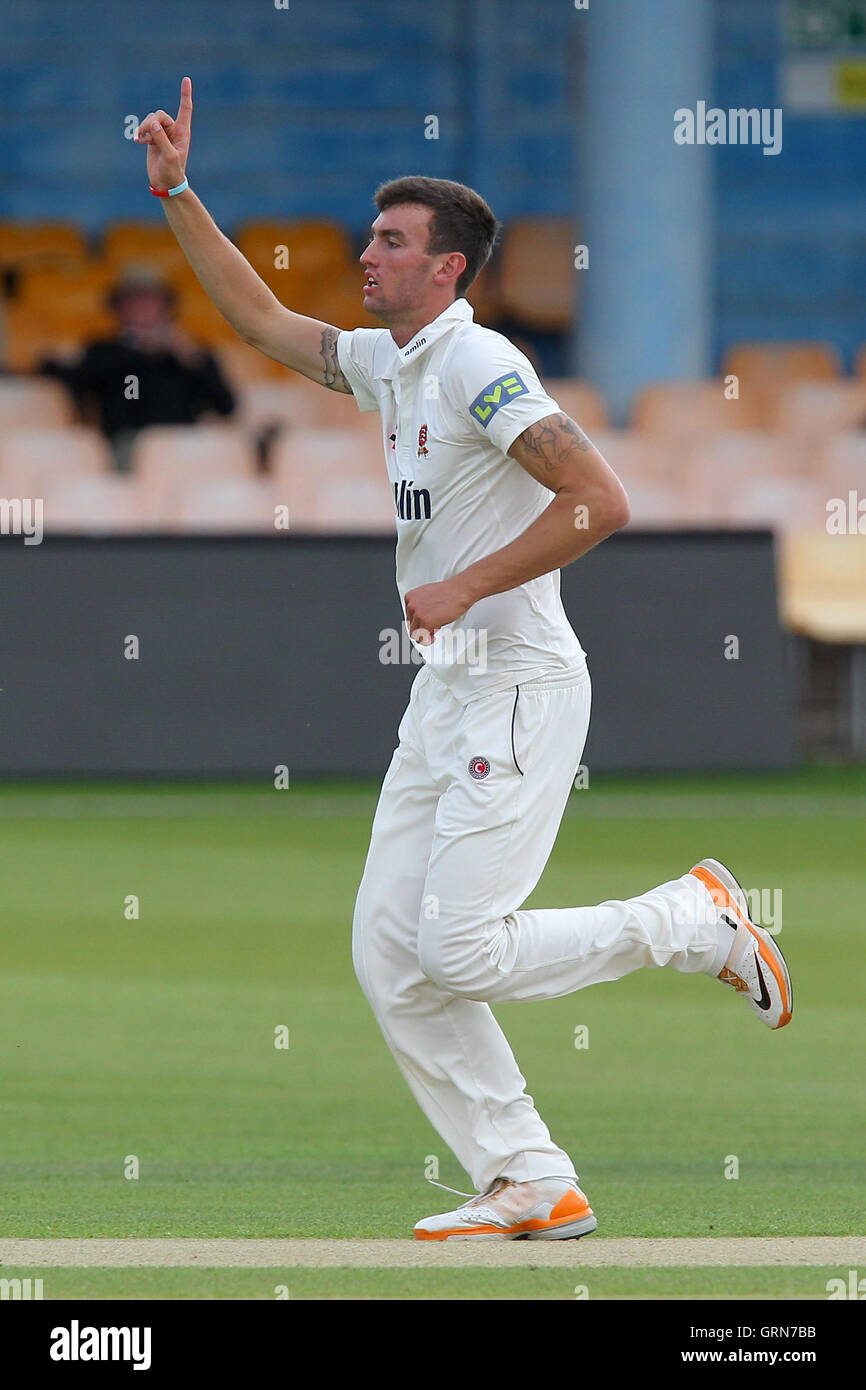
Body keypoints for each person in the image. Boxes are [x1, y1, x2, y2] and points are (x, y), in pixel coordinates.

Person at [136, 78, 793, 1243]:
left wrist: (465, 582)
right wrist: (181, 192)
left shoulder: (475, 361)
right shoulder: (392, 362)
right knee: (389, 952)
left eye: (392, 242)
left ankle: (694, 923)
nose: (369, 256)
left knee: (459, 948)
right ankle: (530, 1177)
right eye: (374, 236)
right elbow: (258, 321)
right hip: (448, 694)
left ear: (448, 268)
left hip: (522, 684)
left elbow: (600, 498)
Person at [39, 262, 235, 471]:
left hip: (183, 444)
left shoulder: (189, 353)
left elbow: (226, 406)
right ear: (119, 307)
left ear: (166, 306)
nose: (142, 307)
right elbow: (75, 381)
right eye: (133, 300)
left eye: (150, 300)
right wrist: (135, 349)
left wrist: (196, 363)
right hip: (130, 444)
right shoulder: (104, 350)